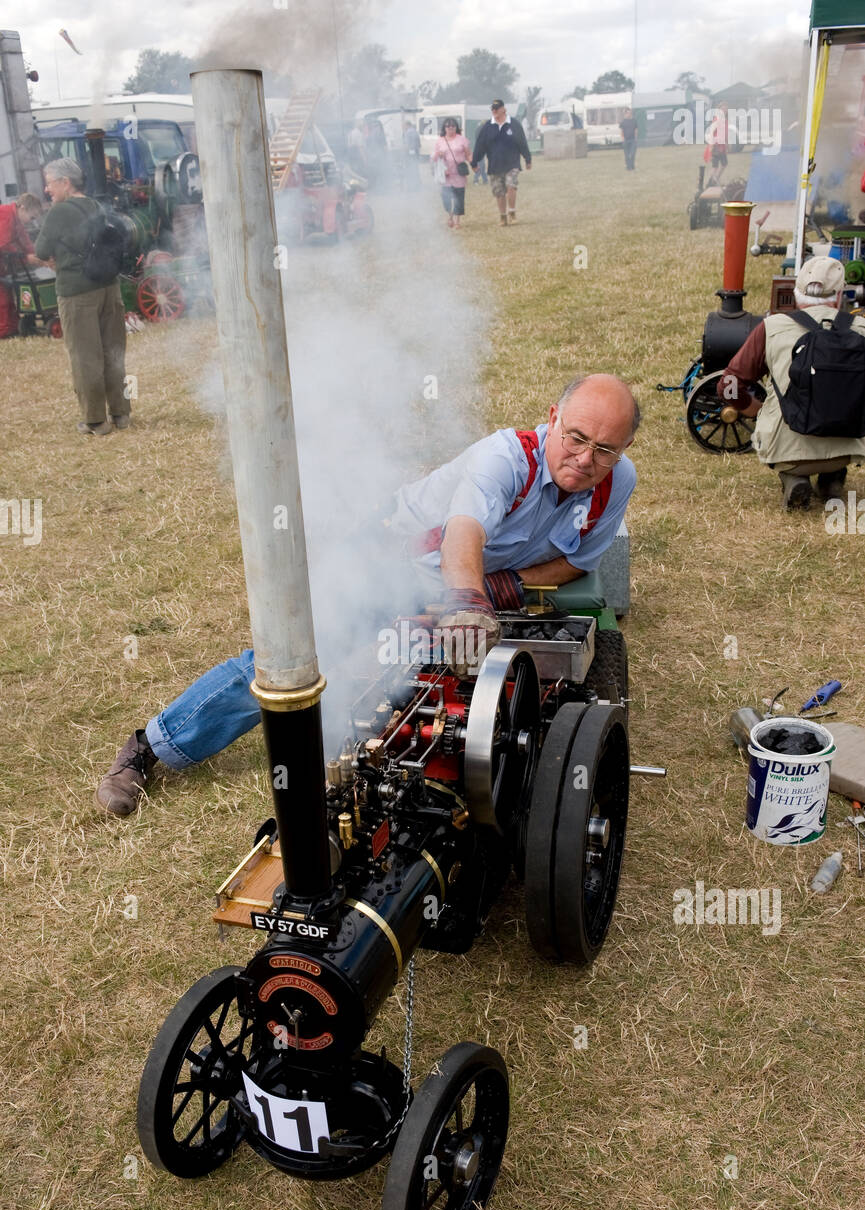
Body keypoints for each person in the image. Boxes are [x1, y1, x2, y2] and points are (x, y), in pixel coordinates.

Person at [96, 373, 640, 815]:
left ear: (624, 450)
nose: (586, 460)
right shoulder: (504, 459)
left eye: (605, 449)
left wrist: (511, 585)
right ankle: (152, 747)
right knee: (296, 663)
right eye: (575, 438)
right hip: (400, 561)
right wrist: (471, 604)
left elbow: (575, 562)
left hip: (482, 583)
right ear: (552, 418)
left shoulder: (619, 482)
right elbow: (463, 534)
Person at [717, 256, 865, 510]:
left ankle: (794, 478)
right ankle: (832, 478)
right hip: (849, 447)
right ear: (839, 297)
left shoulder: (771, 327)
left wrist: (753, 409)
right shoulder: (861, 328)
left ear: (796, 294)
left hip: (786, 451)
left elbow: (728, 384)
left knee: (787, 444)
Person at [34, 158, 130, 436]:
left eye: (50, 182)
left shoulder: (59, 212)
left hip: (78, 293)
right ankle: (121, 413)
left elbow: (41, 250)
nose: (47, 188)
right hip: (109, 288)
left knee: (85, 357)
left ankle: (95, 420)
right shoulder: (97, 204)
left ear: (65, 182)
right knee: (114, 352)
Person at [471, 99, 532, 226]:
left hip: (512, 163)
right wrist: (474, 162)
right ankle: (503, 217)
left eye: (497, 108)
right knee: (499, 192)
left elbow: (522, 142)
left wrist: (527, 158)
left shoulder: (513, 124)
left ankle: (512, 212)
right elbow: (480, 145)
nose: (494, 111)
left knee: (511, 185)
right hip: (495, 164)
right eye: (492, 109)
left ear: (503, 109)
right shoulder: (488, 127)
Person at [0, 195, 46, 338]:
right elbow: (4, 244)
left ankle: (13, 326)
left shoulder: (16, 218)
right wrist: (26, 258)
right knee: (2, 296)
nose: (31, 221)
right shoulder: (6, 215)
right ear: (23, 208)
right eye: (32, 217)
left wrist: (36, 255)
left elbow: (24, 240)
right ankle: (5, 330)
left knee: (9, 291)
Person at [431, 117, 472, 229]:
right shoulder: (440, 141)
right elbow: (433, 158)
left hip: (458, 173)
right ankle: (450, 216)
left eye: (453, 126)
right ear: (444, 128)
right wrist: (438, 155)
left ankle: (457, 221)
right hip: (445, 175)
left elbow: (468, 155)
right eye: (448, 126)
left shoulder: (462, 139)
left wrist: (474, 164)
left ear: (456, 127)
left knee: (459, 197)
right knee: (446, 198)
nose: (450, 128)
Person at [402, 120, 421, 191]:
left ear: (407, 125)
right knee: (416, 168)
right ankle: (418, 184)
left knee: (410, 169)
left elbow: (407, 145)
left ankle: (412, 186)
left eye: (404, 126)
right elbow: (419, 144)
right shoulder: (415, 131)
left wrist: (404, 152)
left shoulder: (408, 132)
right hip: (416, 152)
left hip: (410, 154)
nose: (403, 127)